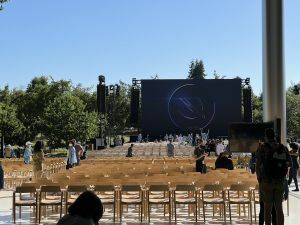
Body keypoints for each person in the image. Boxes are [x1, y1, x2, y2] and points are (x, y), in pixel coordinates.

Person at [256, 128, 291, 225]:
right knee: (279, 209)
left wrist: (260, 179)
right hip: (280, 181)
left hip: (266, 182)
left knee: (267, 210)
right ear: (275, 136)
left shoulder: (262, 148)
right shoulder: (283, 148)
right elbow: (288, 164)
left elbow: (257, 165)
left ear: (266, 137)